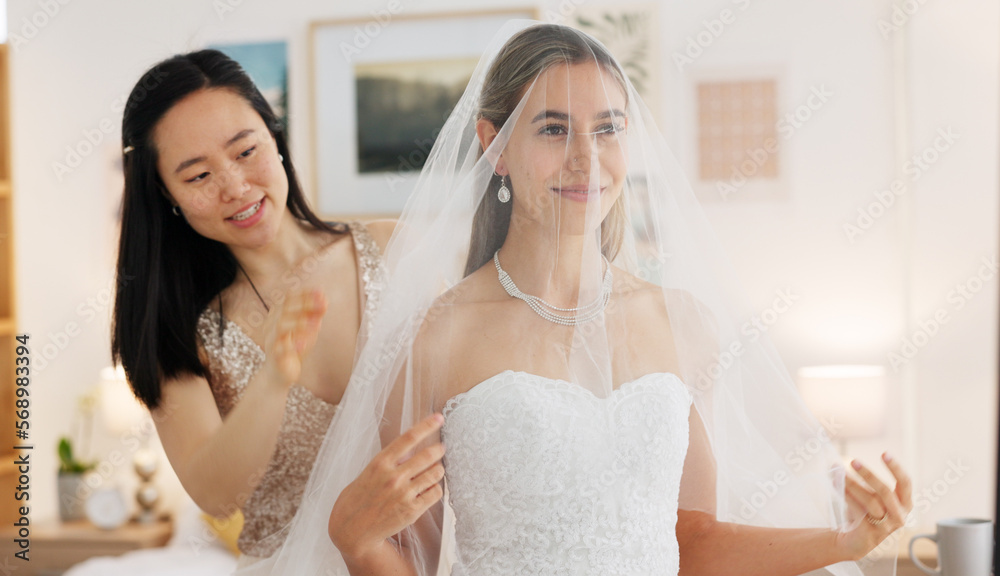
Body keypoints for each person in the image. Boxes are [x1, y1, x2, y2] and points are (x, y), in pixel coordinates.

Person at [239, 22, 911, 576]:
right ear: (494, 147)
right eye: (554, 130)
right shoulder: (437, 337)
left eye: (608, 129)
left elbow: (693, 542)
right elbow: (412, 560)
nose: (587, 160)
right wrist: (356, 542)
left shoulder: (681, 322)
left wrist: (844, 542)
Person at [110, 49, 393, 564]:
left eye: (245, 151)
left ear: (274, 137)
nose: (235, 188)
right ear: (167, 195)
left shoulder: (393, 249)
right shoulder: (178, 329)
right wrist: (273, 379)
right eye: (198, 176)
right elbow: (216, 498)